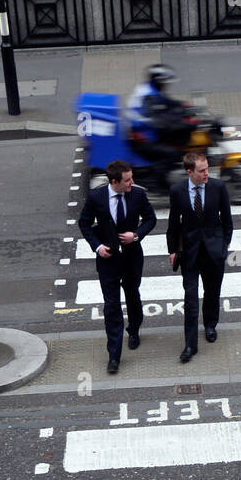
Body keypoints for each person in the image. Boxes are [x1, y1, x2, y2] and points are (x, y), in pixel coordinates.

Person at [76, 160, 156, 374]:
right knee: (111, 306)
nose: (132, 183)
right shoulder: (96, 198)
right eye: (128, 180)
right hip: (108, 260)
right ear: (114, 182)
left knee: (132, 295)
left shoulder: (137, 195)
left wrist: (136, 235)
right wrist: (97, 246)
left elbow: (151, 219)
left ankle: (135, 329)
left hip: (131, 257)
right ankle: (114, 356)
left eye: (132, 178)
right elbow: (84, 223)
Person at [166, 152, 233, 364]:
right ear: (190, 172)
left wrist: (223, 246)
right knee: (190, 299)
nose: (207, 173)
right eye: (202, 170)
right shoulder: (177, 191)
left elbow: (227, 221)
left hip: (214, 251)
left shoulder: (218, 187)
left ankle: (211, 324)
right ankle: (190, 345)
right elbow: (173, 224)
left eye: (207, 169)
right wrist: (173, 250)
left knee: (212, 292)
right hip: (190, 253)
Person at [125, 64, 191, 191]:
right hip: (143, 137)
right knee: (173, 153)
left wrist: (185, 106)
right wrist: (180, 122)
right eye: (165, 82)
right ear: (158, 81)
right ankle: (160, 185)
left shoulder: (149, 89)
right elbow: (157, 119)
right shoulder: (148, 96)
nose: (167, 85)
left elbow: (167, 102)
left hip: (146, 132)